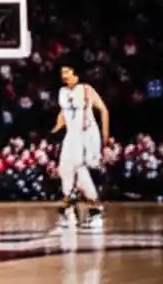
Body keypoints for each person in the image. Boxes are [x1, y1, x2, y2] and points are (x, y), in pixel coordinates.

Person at [52, 60, 110, 231]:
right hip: (72, 135)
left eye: (67, 71)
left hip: (87, 135)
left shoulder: (86, 89)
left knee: (80, 169)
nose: (64, 75)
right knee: (64, 169)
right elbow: (64, 112)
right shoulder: (62, 92)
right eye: (62, 72)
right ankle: (72, 208)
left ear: (75, 74)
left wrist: (106, 136)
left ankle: (93, 208)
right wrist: (55, 129)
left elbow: (103, 110)